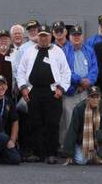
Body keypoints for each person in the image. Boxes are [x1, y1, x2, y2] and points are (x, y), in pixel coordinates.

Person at [16, 29, 70, 163]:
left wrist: (61, 89)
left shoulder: (58, 51)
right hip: (33, 91)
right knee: (35, 122)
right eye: (41, 36)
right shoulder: (29, 51)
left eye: (46, 36)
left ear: (50, 37)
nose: (43, 39)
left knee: (52, 123)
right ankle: (37, 152)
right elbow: (21, 71)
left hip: (52, 92)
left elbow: (66, 72)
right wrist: (23, 87)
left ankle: (51, 153)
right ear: (37, 37)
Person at [62, 86, 102, 164]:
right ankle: (78, 151)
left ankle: (96, 155)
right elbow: (73, 130)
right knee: (81, 162)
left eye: (97, 97)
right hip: (82, 140)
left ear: (100, 97)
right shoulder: (79, 108)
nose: (95, 100)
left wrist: (100, 135)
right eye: (92, 97)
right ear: (88, 98)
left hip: (97, 139)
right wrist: (69, 154)